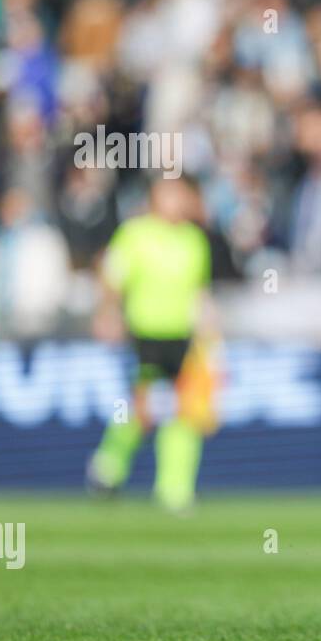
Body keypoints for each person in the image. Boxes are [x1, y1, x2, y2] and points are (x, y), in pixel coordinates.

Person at [88, 174, 218, 513]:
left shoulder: (194, 240)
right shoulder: (135, 234)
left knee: (188, 412)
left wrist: (209, 334)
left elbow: (199, 293)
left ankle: (174, 489)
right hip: (145, 334)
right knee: (141, 411)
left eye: (180, 195)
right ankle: (108, 466)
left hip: (184, 337)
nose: (175, 202)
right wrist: (108, 314)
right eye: (167, 194)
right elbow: (112, 278)